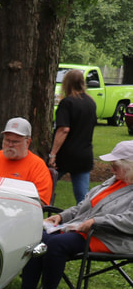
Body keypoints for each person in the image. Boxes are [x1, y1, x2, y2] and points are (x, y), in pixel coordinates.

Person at [1, 141, 133, 289]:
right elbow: (84, 207)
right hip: (85, 230)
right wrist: (61, 217)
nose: (111, 169)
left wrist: (97, 221)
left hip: (110, 237)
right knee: (38, 237)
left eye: (115, 165)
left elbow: (130, 220)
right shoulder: (113, 181)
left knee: (55, 244)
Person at [0, 117, 53, 204]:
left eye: (15, 142)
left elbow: (41, 203)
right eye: (7, 140)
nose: (10, 145)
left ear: (28, 142)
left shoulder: (37, 166)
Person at [49, 68, 97, 204]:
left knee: (46, 186)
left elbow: (64, 129)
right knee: (82, 197)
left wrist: (53, 154)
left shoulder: (67, 103)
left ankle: (44, 211)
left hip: (66, 155)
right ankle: (85, 220)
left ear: (66, 83)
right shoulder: (91, 103)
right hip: (85, 154)